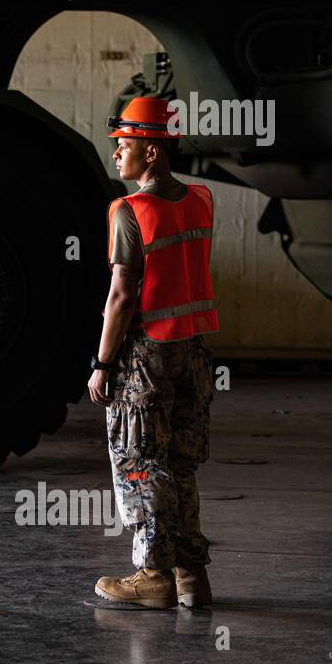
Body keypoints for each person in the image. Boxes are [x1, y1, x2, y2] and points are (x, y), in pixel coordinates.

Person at [88, 96, 218, 609]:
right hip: (193, 352)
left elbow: (121, 296)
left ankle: (152, 576)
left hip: (146, 354)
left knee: (141, 465)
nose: (117, 153)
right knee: (180, 465)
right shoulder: (203, 199)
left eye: (126, 145)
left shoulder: (128, 211)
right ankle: (191, 576)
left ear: (153, 151)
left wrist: (102, 365)